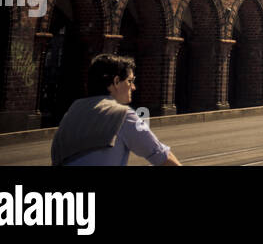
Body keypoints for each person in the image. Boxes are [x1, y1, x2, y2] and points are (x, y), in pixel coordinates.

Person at [51, 53, 181, 166]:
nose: (133, 87)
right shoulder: (122, 115)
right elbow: (161, 156)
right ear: (116, 81)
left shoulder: (72, 113)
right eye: (130, 81)